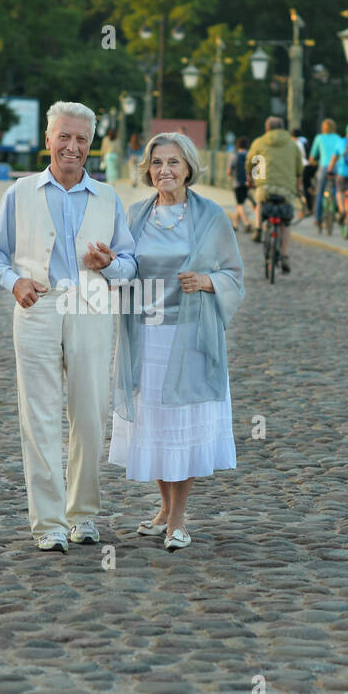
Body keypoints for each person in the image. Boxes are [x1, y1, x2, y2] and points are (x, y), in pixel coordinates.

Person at [0, 101, 138, 552]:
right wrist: (13, 282)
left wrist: (108, 264)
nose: (72, 146)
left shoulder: (107, 198)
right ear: (48, 139)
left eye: (81, 139)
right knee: (40, 416)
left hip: (91, 306)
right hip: (38, 308)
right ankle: (47, 523)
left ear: (91, 145)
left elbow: (130, 263)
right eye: (64, 136)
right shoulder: (21, 192)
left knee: (90, 414)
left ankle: (82, 515)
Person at [111, 132, 243, 552]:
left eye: (172, 162)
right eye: (156, 163)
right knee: (155, 424)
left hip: (190, 333)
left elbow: (234, 274)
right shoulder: (135, 215)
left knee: (181, 424)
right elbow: (125, 269)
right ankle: (164, 509)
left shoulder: (210, 217)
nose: (163, 170)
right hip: (146, 332)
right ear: (147, 171)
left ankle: (179, 521)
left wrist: (208, 281)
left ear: (188, 167)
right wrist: (107, 263)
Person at [246, 116, 303, 273]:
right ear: (283, 128)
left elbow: (250, 162)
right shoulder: (293, 145)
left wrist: (250, 179)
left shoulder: (259, 142)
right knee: (285, 223)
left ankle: (258, 228)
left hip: (265, 187)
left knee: (259, 201)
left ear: (267, 129)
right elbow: (299, 171)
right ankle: (284, 255)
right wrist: (298, 188)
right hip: (286, 189)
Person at [310, 119, 345, 230]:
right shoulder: (339, 138)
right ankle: (334, 210)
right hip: (337, 167)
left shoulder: (319, 138)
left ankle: (317, 218)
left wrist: (314, 163)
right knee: (336, 190)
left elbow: (312, 157)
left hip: (324, 166)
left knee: (319, 193)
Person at [227, 137, 254, 232]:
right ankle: (235, 224)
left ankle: (246, 223)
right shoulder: (250, 156)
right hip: (248, 183)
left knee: (240, 204)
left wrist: (231, 174)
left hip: (237, 183)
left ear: (237, 146)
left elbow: (229, 171)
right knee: (241, 203)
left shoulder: (235, 156)